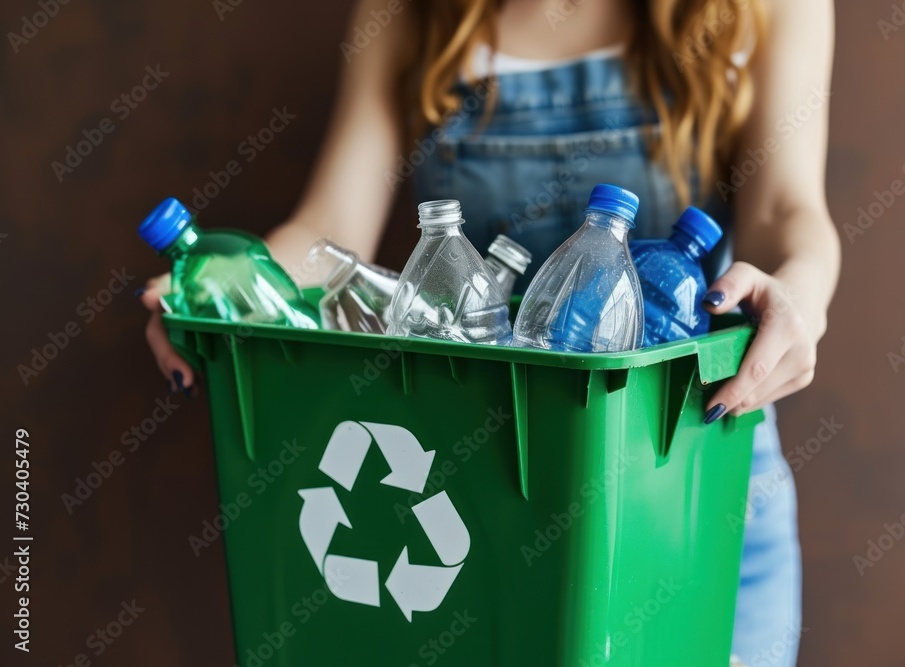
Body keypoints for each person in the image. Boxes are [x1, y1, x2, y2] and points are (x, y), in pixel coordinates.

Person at [142, 1, 839, 664]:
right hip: (486, 493)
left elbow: (786, 209)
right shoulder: (416, 12)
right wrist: (224, 288)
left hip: (690, 497)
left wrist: (798, 298)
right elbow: (330, 233)